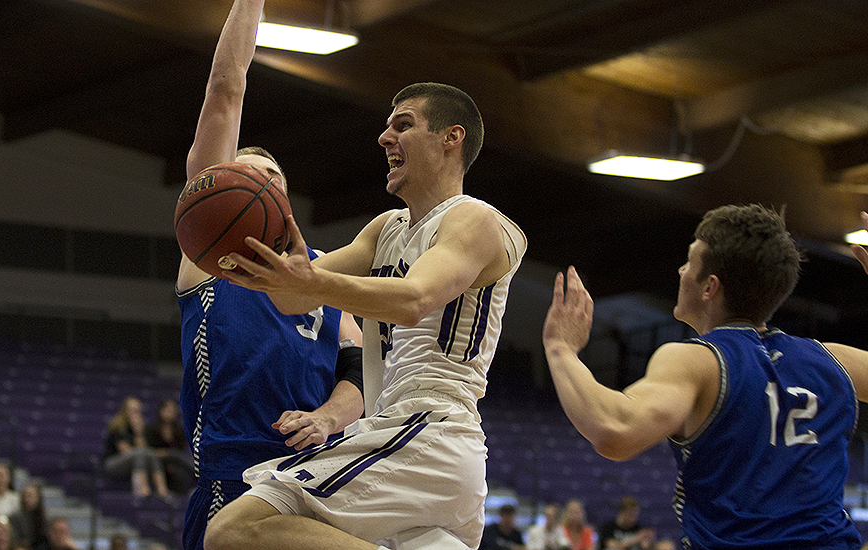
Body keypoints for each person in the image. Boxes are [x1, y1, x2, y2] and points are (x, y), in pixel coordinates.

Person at [205, 35, 525, 550]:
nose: (383, 137)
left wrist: (313, 281)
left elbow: (415, 298)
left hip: (429, 429)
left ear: (451, 138)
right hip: (396, 434)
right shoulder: (386, 229)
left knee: (237, 530)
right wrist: (253, 264)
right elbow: (295, 299)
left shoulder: (475, 220)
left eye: (403, 125)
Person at [542, 205, 868, 549]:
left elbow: (615, 430)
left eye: (689, 261)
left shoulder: (696, 361)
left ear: (710, 287)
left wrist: (561, 348)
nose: (681, 270)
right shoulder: (835, 359)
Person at [175, 0, 366, 548]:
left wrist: (328, 417)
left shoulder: (326, 277)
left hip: (311, 478)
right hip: (230, 480)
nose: (265, 186)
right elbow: (226, 88)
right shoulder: (209, 257)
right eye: (249, 178)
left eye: (273, 180)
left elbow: (356, 376)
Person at [102, 397, 170, 499]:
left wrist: (139, 433)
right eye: (133, 411)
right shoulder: (118, 426)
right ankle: (142, 490)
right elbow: (125, 451)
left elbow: (144, 449)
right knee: (139, 454)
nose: (136, 414)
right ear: (125, 411)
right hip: (112, 462)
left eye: (138, 411)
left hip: (134, 459)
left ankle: (162, 490)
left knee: (151, 453)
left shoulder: (138, 428)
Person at [144, 399, 193, 494]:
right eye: (167, 410)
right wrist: (165, 454)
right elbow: (149, 451)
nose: (169, 413)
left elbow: (181, 451)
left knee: (180, 473)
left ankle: (179, 500)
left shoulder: (179, 431)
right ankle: (196, 468)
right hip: (157, 461)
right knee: (173, 455)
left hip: (175, 462)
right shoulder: (151, 429)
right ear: (161, 410)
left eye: (172, 411)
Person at [7, 484, 44, 550]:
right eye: (25, 495)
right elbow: (15, 540)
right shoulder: (14, 518)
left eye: (30, 495)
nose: (27, 498)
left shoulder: (43, 519)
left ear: (38, 498)